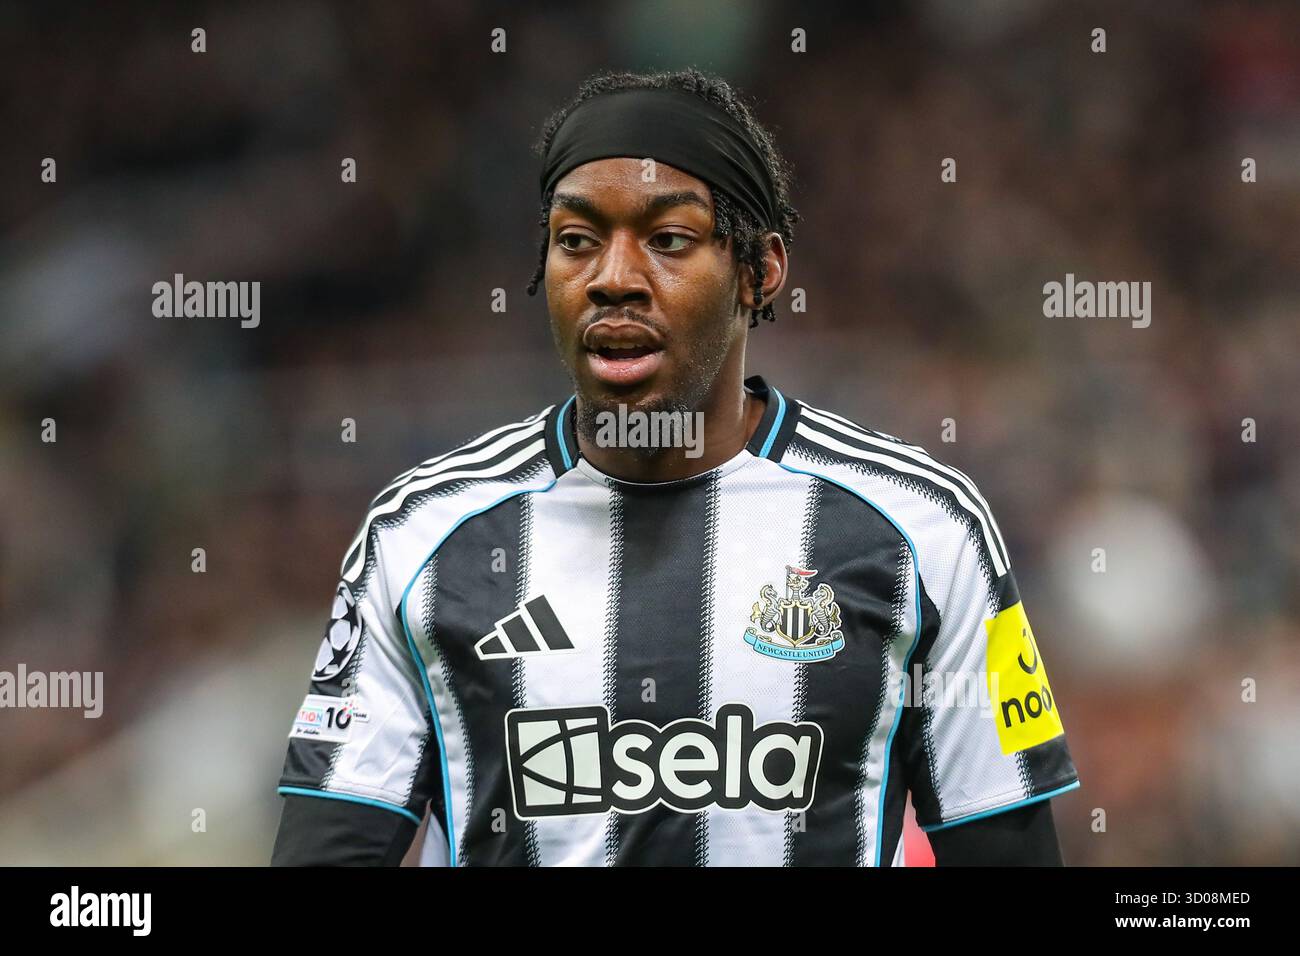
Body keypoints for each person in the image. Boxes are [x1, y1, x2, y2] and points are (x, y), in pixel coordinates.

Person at [271, 68, 1079, 867]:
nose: (613, 279)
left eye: (668, 240)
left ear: (760, 271)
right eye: (576, 241)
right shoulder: (422, 536)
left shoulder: (924, 530)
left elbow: (1005, 849)